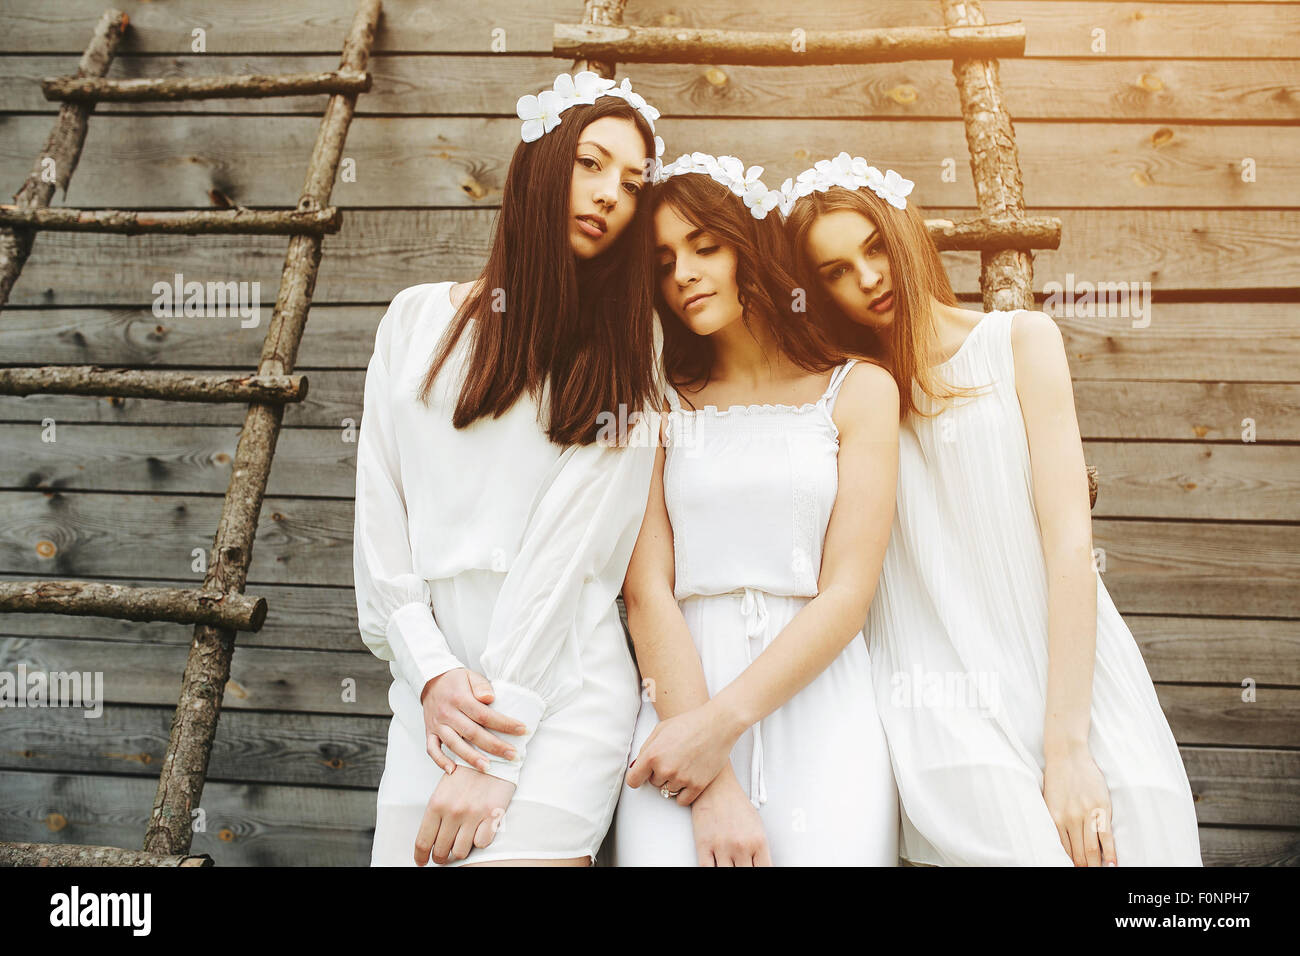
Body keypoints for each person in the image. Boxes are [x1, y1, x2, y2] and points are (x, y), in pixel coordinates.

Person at [781, 153, 1203, 866]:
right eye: (836, 272)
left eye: (875, 248)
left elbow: (1070, 543)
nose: (869, 279)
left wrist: (1067, 746)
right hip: (939, 704)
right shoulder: (846, 396)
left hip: (1074, 681)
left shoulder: (1020, 342)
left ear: (906, 234)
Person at [353, 72, 669, 866]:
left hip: (557, 696)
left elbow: (572, 553)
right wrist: (428, 674)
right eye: (590, 164)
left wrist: (497, 747)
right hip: (433, 703)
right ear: (540, 163)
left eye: (631, 185)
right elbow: (380, 523)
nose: (608, 196)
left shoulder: (630, 351)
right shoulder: (414, 321)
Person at [612, 153, 901, 866]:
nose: (682, 273)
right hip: (677, 692)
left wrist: (725, 723)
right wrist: (708, 770)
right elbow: (646, 590)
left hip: (822, 699)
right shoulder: (656, 402)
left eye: (704, 247)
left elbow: (847, 594)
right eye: (662, 261)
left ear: (749, 247)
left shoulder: (860, 390)